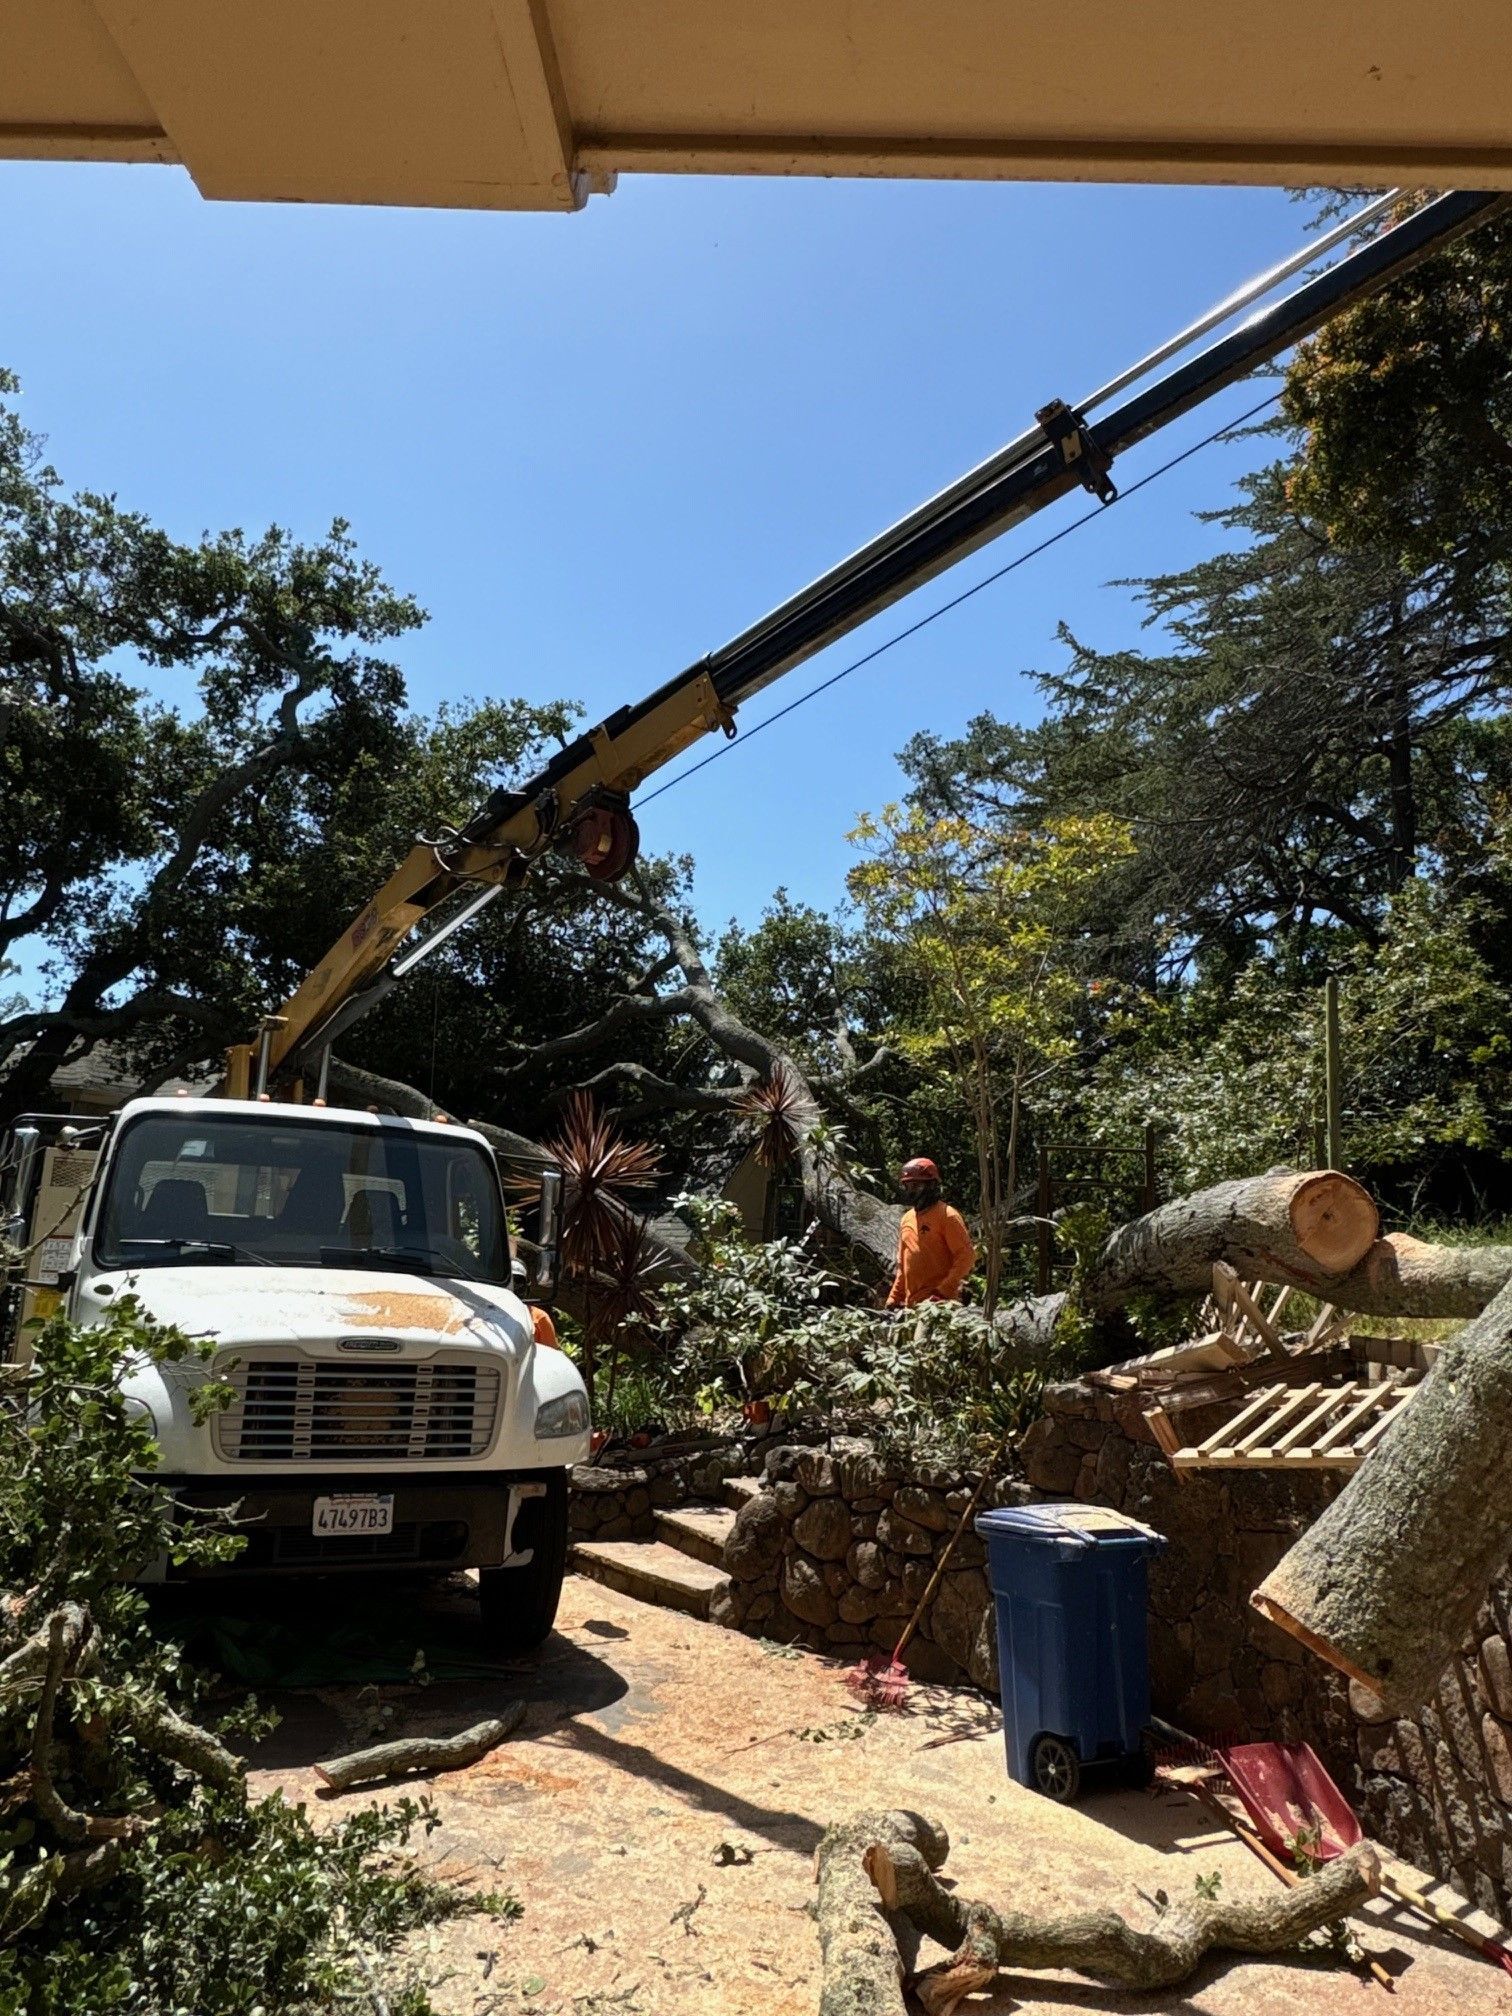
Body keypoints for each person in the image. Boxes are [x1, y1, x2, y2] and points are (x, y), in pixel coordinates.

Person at [884, 1157, 976, 1308]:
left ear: (932, 1185)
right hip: (912, 1306)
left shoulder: (947, 1215)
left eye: (916, 1186)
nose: (911, 1191)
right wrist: (894, 1298)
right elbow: (903, 1266)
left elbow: (966, 1256)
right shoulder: (906, 1219)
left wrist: (942, 1292)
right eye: (908, 1186)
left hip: (940, 1305)